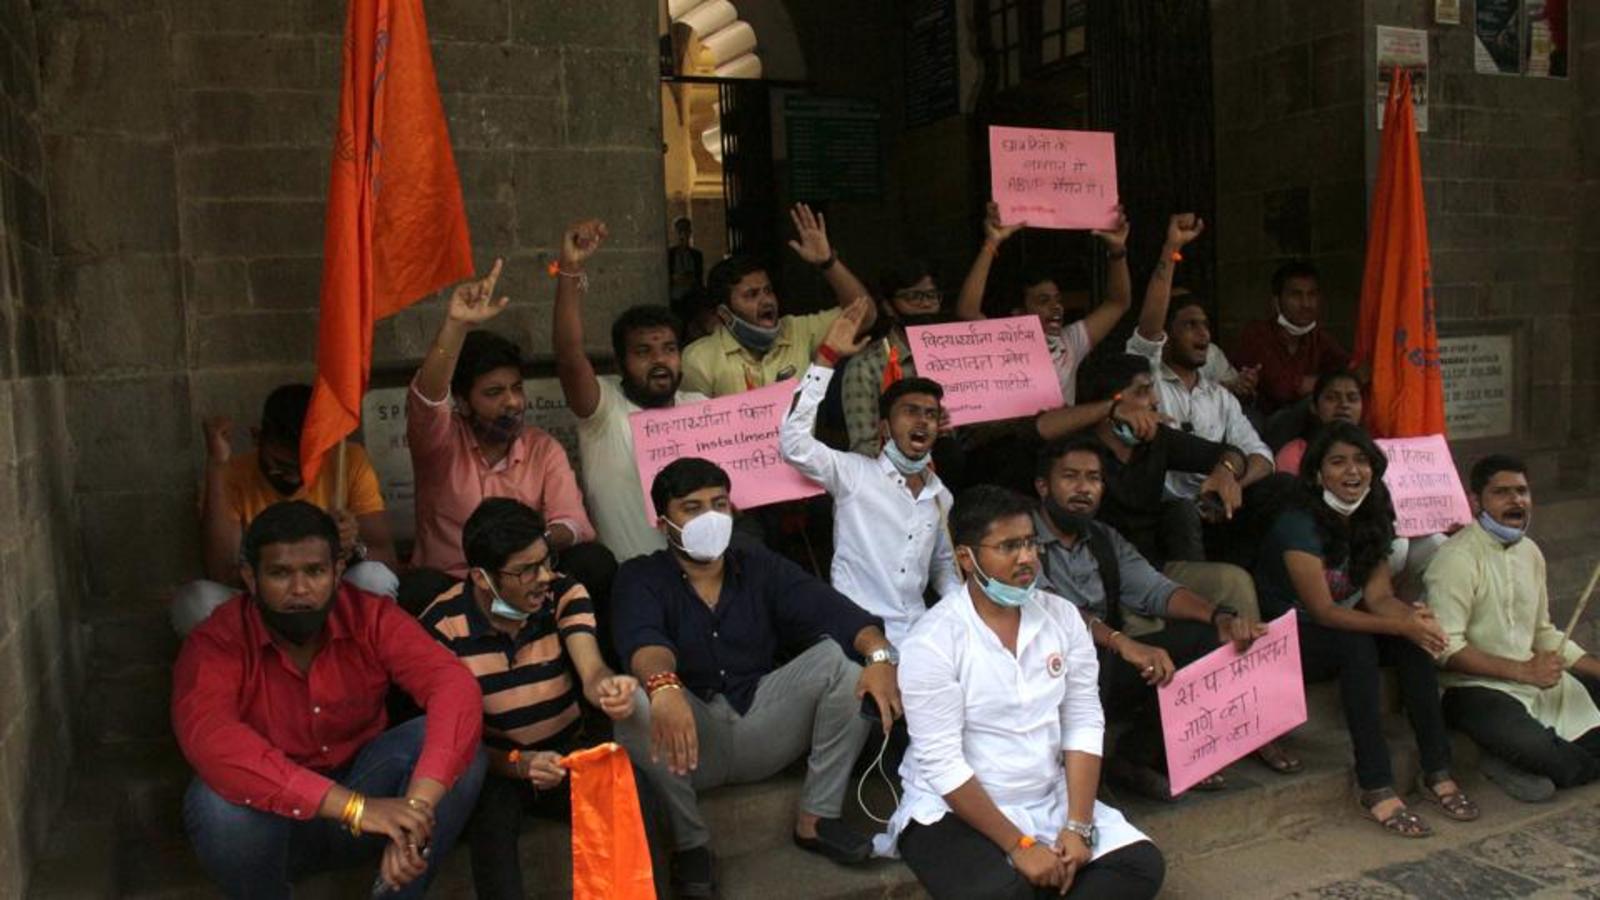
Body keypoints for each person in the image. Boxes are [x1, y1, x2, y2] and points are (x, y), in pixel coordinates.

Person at [611, 458, 901, 896]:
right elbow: (644, 642)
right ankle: (691, 845)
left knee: (841, 663)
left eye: (719, 504)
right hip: (690, 745)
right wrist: (663, 687)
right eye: (692, 508)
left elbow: (833, 611)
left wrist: (879, 657)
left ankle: (817, 819)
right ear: (662, 520)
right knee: (632, 699)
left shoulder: (758, 564)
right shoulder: (639, 575)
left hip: (761, 725)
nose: (709, 517)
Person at [172, 501, 487, 898]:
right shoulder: (216, 641)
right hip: (275, 821)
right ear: (250, 578)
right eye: (280, 573)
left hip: (368, 793)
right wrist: (353, 807)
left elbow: (452, 686)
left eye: (315, 572)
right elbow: (212, 739)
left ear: (338, 572)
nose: (300, 589)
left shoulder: (368, 617)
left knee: (461, 748)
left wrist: (414, 811)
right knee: (217, 805)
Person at [872, 485, 1164, 899]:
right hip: (953, 809)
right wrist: (1019, 845)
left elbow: (1082, 721)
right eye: (1009, 546)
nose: (1027, 558)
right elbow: (942, 763)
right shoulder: (932, 641)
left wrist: (1078, 826)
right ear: (966, 558)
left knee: (1140, 865)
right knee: (1003, 893)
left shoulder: (1062, 618)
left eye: (1030, 543)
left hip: (1048, 796)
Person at [418, 498, 669, 899]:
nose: (544, 577)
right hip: (492, 767)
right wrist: (517, 765)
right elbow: (450, 742)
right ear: (482, 578)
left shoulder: (563, 593)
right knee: (491, 820)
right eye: (526, 570)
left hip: (567, 752)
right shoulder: (441, 628)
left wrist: (606, 687)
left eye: (546, 561)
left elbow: (591, 669)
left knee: (630, 792)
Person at [1251, 423, 1480, 836]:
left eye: (1360, 461)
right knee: (1358, 645)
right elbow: (1324, 611)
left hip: (1344, 625)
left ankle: (1437, 770)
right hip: (1287, 635)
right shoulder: (1297, 524)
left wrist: (1411, 621)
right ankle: (1374, 784)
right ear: (1318, 473)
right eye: (1338, 462)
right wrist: (1397, 625)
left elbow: (1378, 597)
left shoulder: (1371, 514)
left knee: (1411, 646)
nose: (1351, 471)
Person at [1032, 437, 1280, 798]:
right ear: (1043, 486)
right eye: (1070, 477)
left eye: (1094, 479)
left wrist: (1218, 617)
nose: (1084, 488)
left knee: (1207, 640)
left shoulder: (1104, 538)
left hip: (1107, 659)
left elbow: (1157, 591)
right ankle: (1087, 791)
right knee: (1093, 656)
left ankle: (1134, 758)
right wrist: (1122, 643)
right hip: (1043, 670)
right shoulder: (1021, 538)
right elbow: (1050, 610)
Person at [406, 260, 617, 632]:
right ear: (464, 402)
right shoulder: (438, 446)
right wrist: (455, 326)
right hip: (457, 587)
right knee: (418, 588)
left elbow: (574, 523)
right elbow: (427, 399)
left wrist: (533, 544)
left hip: (530, 582)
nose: (513, 402)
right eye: (494, 393)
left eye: (516, 388)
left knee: (592, 561)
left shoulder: (542, 447)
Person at [779, 301, 962, 646]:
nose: (922, 421)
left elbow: (943, 567)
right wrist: (827, 357)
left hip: (921, 640)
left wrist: (957, 611)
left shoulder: (940, 496)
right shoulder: (853, 475)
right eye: (910, 412)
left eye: (930, 414)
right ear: (884, 426)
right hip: (858, 637)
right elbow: (794, 444)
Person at [1427, 454, 1600, 801]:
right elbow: (1445, 649)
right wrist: (1522, 671)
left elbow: (1544, 634)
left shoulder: (1531, 553)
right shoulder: (1455, 558)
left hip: (1531, 679)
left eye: (1521, 491)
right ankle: (1534, 761)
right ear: (1476, 501)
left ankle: (1531, 763)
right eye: (1501, 493)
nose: (1516, 501)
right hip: (1473, 688)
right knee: (1536, 746)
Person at [174, 383, 399, 635]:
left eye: (308, 467)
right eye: (281, 465)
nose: (294, 478)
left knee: (373, 578)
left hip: (329, 605)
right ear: (258, 438)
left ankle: (351, 665)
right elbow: (220, 571)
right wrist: (216, 467)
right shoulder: (230, 474)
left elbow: (387, 559)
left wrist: (353, 548)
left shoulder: (348, 461)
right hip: (262, 605)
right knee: (195, 600)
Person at [552, 218, 708, 563]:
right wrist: (570, 270)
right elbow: (568, 355)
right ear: (620, 363)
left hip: (704, 577)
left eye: (668, 349)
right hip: (632, 580)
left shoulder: (701, 408)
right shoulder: (604, 409)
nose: (659, 360)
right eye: (643, 352)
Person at [1126, 214, 1275, 503]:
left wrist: (1230, 485)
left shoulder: (1220, 397)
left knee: (1280, 487)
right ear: (1166, 335)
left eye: (1206, 325)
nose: (1203, 334)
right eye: (1190, 325)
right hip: (1164, 509)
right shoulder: (1148, 378)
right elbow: (1149, 328)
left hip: (1215, 504)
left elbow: (1262, 455)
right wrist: (1171, 248)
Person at [681, 203, 875, 397]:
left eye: (768, 291)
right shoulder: (699, 359)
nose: (767, 301)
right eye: (751, 295)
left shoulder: (798, 331)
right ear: (725, 313)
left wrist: (828, 262)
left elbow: (864, 315)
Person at [954, 201, 1132, 405]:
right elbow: (967, 313)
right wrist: (991, 243)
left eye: (1058, 300)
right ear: (1018, 313)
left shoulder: (1069, 343)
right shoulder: (1002, 344)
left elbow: (1117, 303)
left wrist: (1117, 250)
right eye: (1043, 301)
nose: (1056, 307)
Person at [840, 257, 949, 456]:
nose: (925, 304)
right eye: (914, 297)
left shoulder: (956, 356)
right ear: (889, 306)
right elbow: (865, 449)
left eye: (932, 296)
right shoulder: (865, 366)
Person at [1230, 260, 1351, 416]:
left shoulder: (1318, 336)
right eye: (1296, 295)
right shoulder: (1257, 335)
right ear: (1276, 302)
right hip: (1263, 425)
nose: (1306, 304)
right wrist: (1330, 383)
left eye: (1312, 295)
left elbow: (1346, 371)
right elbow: (1283, 389)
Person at [668, 215, 705, 317]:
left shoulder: (696, 255)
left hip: (692, 298)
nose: (683, 233)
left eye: (685, 230)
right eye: (680, 230)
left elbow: (698, 276)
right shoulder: (669, 254)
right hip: (675, 299)